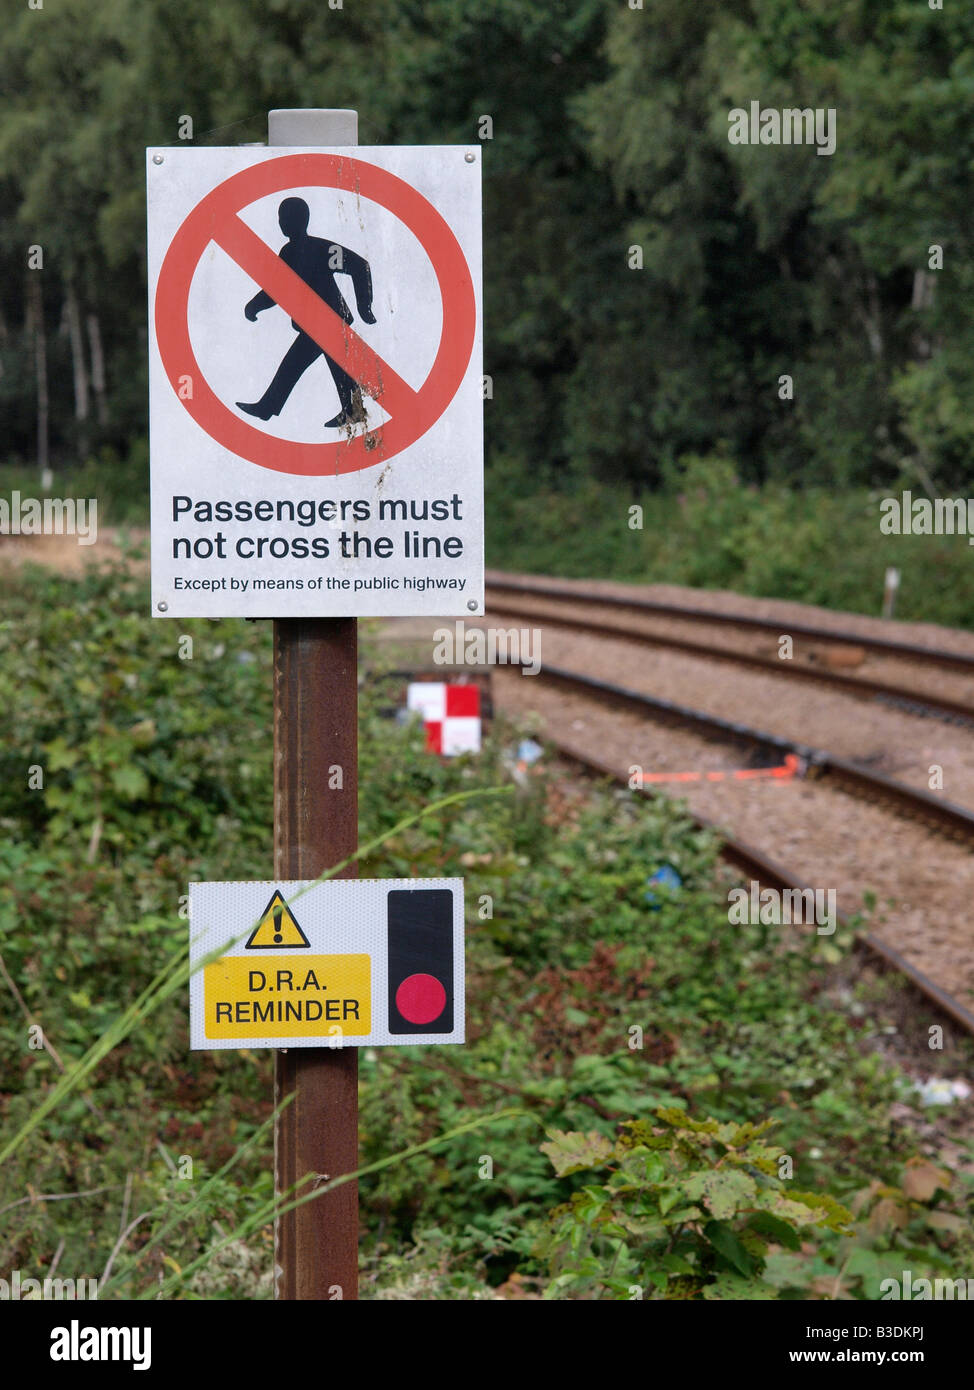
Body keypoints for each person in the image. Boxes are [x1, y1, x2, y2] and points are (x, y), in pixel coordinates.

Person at [236, 196, 376, 429]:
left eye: (284, 218)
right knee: (333, 366)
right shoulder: (294, 251)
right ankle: (352, 410)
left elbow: (359, 266)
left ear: (296, 220)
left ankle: (268, 407)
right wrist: (255, 306)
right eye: (280, 218)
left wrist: (365, 308)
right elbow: (277, 289)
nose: (281, 223)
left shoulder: (316, 249)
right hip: (318, 323)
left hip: (327, 321)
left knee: (294, 365)